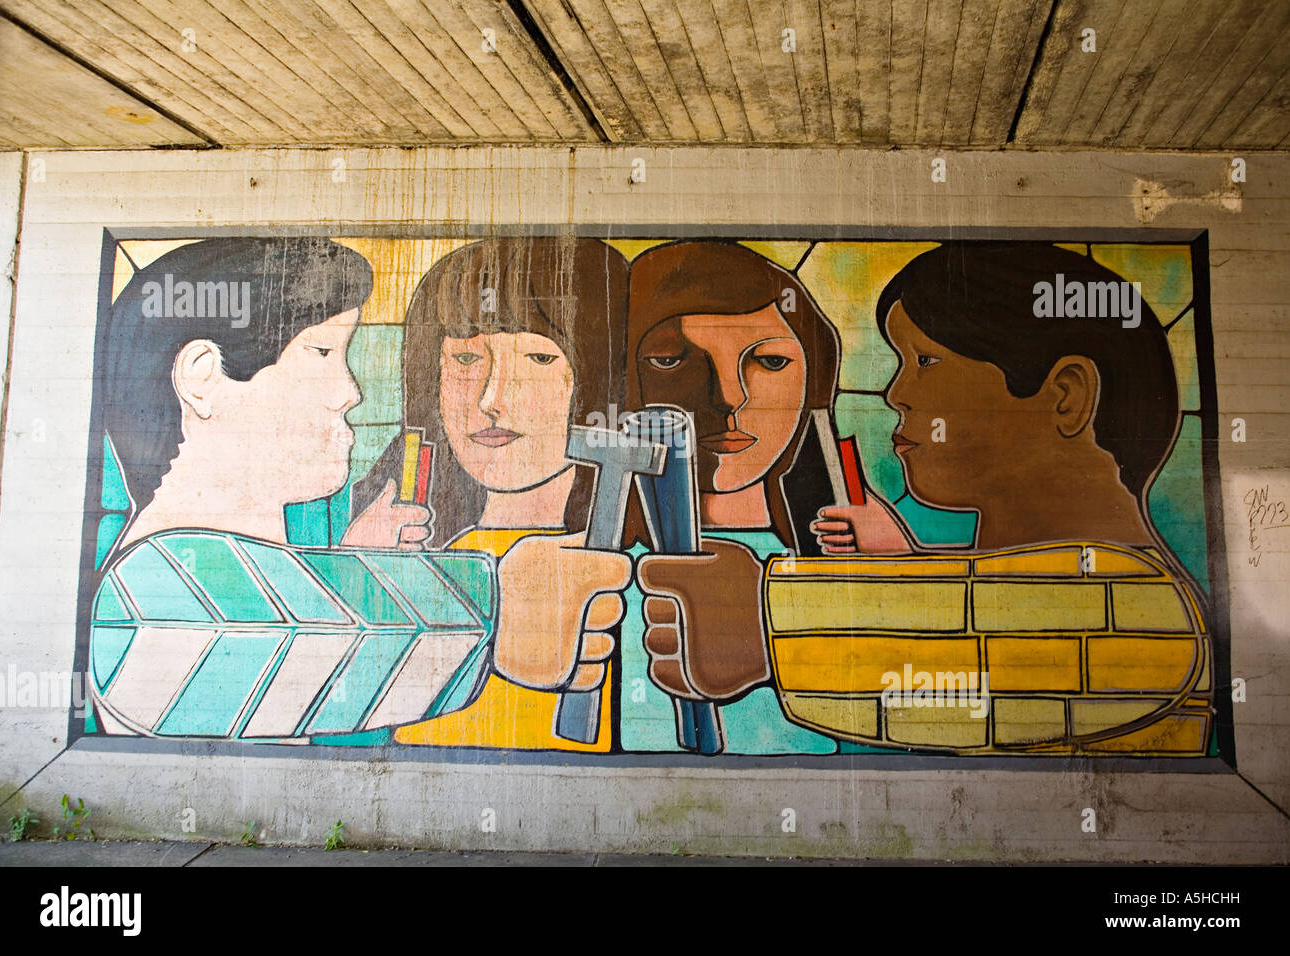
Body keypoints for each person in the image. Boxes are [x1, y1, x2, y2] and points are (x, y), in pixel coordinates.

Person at [637, 241, 1213, 755]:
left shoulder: (1150, 612)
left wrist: (765, 623)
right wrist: (907, 566)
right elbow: (984, 629)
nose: (896, 391)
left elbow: (973, 673)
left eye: (926, 361)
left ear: (1065, 397)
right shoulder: (1067, 597)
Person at [87, 237, 628, 740]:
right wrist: (496, 613)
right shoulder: (148, 597)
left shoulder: (237, 577)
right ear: (204, 377)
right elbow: (199, 630)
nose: (350, 391)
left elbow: (292, 631)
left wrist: (360, 570)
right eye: (322, 353)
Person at [620, 240, 895, 754]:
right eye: (671, 360)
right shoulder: (597, 570)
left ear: (816, 381)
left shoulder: (852, 550)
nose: (727, 396)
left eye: (769, 361)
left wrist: (898, 574)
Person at [365, 237, 631, 751]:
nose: (491, 399)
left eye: (537, 357)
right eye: (465, 359)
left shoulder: (638, 569)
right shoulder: (396, 546)